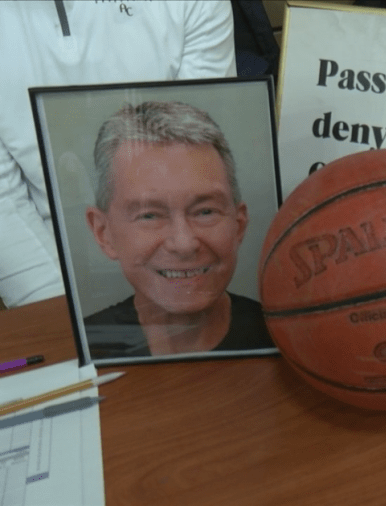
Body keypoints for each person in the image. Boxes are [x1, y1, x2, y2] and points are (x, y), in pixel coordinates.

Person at [0, 1, 236, 308]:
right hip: (52, 277)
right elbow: (5, 204)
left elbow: (197, 160)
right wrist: (75, 323)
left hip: (185, 264)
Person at [83, 101, 273, 358]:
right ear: (103, 233)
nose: (184, 244)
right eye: (149, 215)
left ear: (238, 225)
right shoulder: (86, 348)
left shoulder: (281, 335)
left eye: (205, 212)